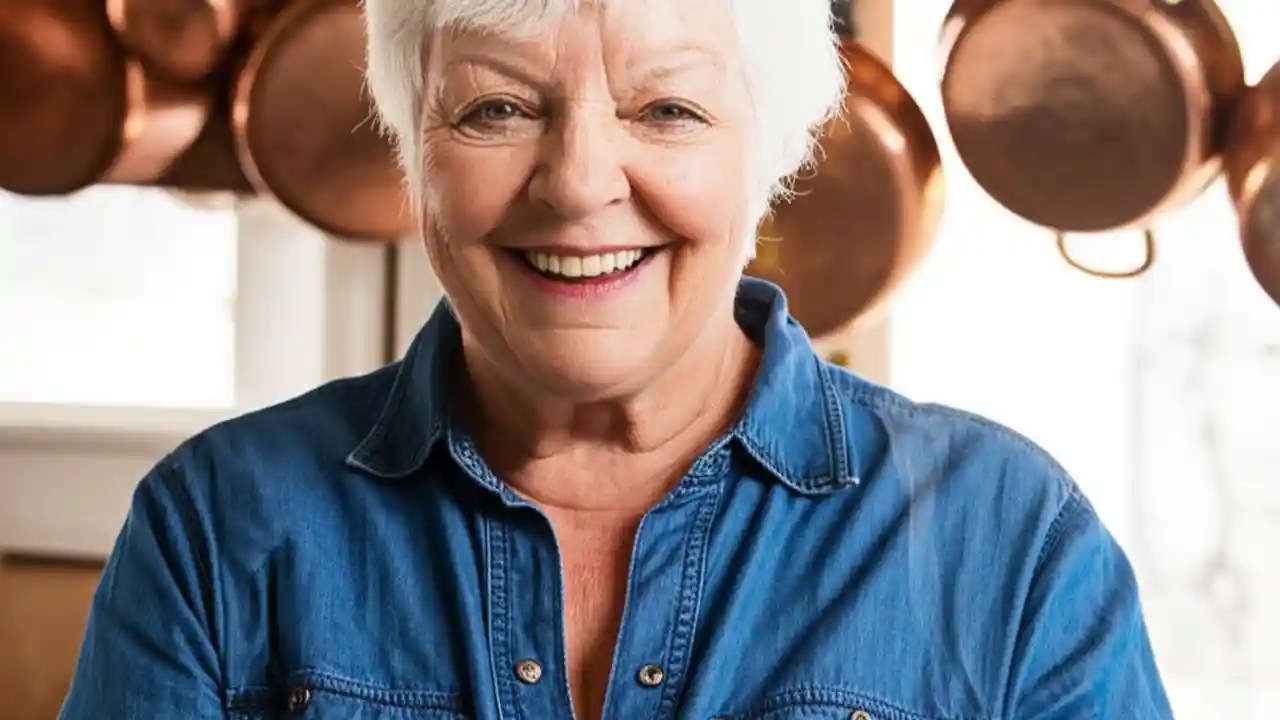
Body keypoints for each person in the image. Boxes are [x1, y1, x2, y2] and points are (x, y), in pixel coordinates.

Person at [59, 0, 1174, 717]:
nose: (579, 182)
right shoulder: (214, 525)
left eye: (666, 108)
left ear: (771, 151)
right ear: (411, 151)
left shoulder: (1013, 544)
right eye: (496, 107)